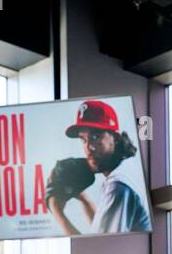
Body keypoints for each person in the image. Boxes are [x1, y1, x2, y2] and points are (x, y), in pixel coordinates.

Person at [49, 100, 151, 235]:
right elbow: (100, 232)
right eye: (83, 140)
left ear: (115, 137)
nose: (89, 147)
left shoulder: (117, 184)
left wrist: (57, 211)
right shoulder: (127, 170)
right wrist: (85, 200)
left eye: (95, 136)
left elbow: (98, 246)